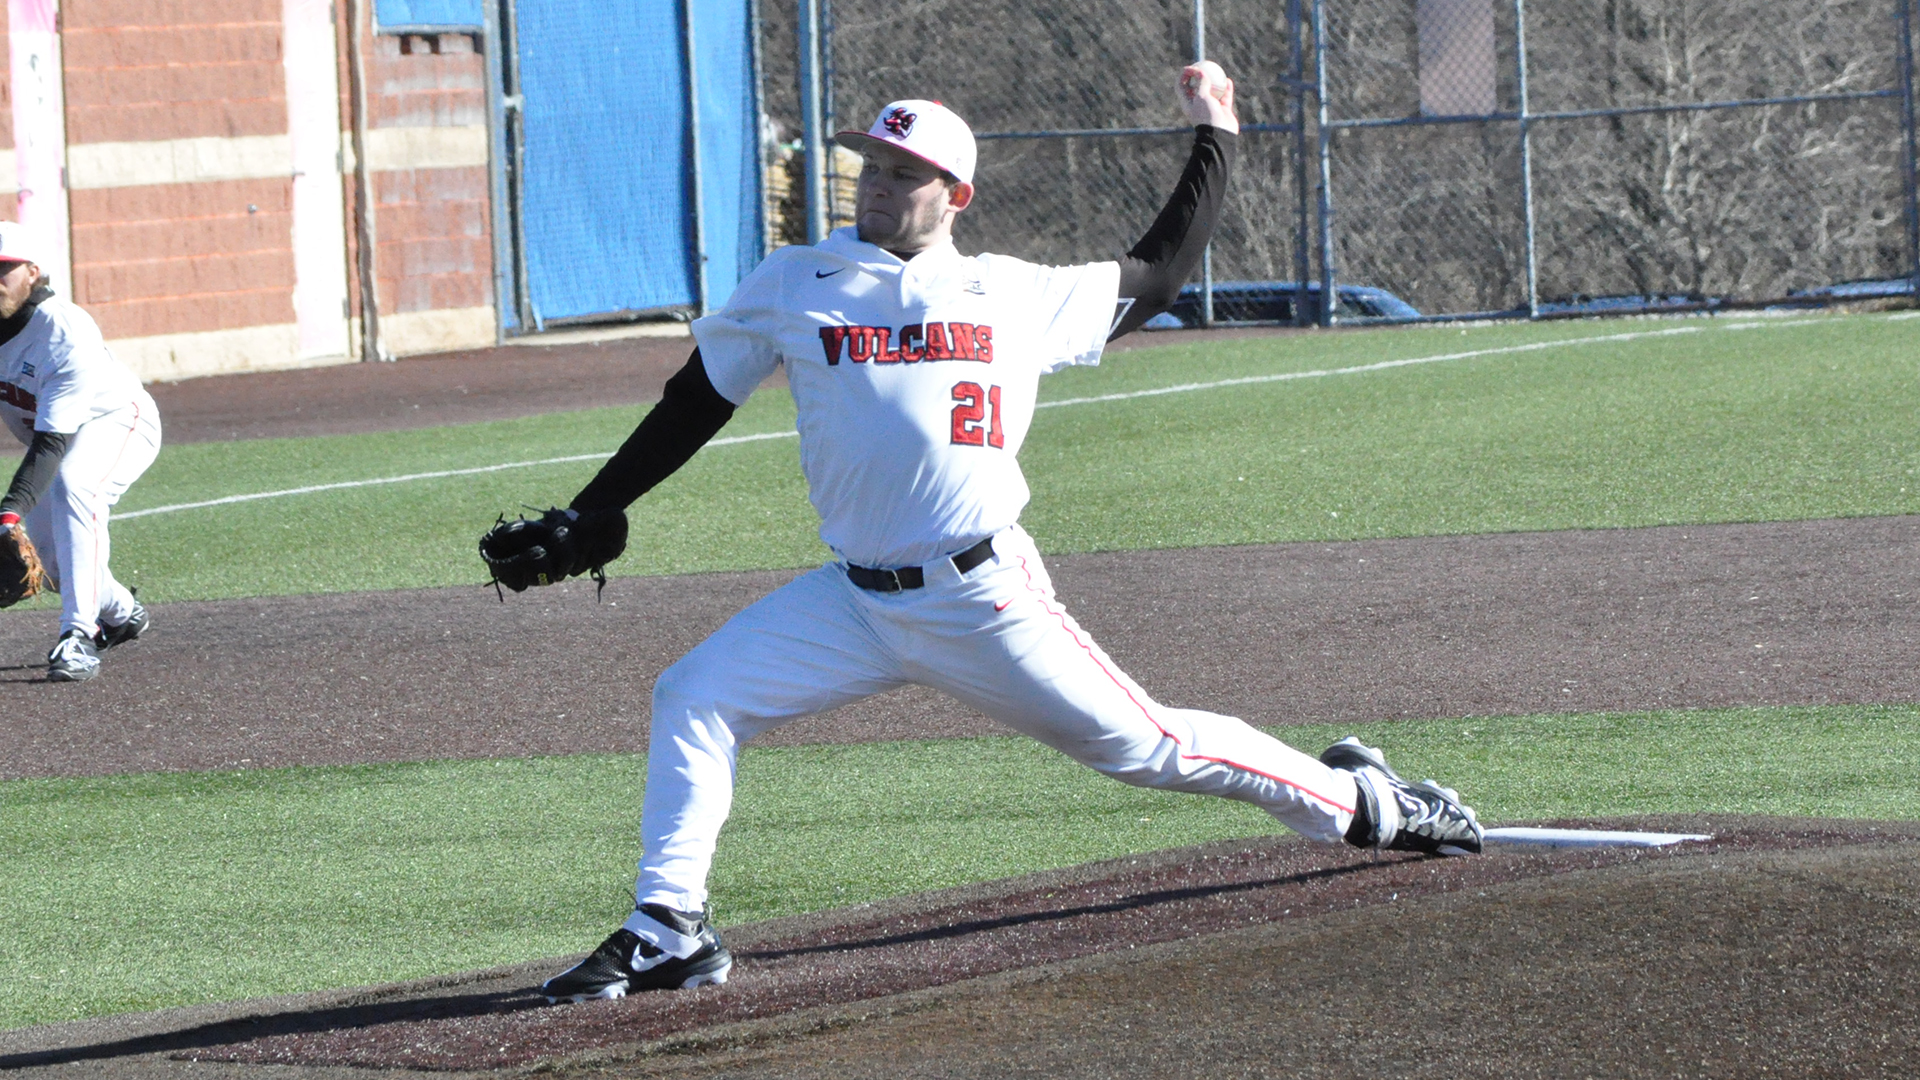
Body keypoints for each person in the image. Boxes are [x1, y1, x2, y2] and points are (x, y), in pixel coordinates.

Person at [525, 64, 1484, 1003]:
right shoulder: (797, 279)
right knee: (695, 694)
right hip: (854, 603)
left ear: (957, 195)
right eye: (871, 165)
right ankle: (670, 926)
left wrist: (1215, 137)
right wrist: (598, 505)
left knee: (1149, 746)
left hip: (981, 597)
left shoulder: (1012, 293)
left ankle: (1366, 802)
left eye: (904, 172)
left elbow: (1158, 274)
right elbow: (695, 400)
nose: (877, 183)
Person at [0, 222, 161, 682]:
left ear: (33, 272)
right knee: (53, 567)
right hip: (55, 440)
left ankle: (79, 636)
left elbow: (51, 443)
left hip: (118, 421)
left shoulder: (62, 332)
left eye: (3, 269)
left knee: (76, 485)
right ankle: (122, 613)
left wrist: (9, 512)